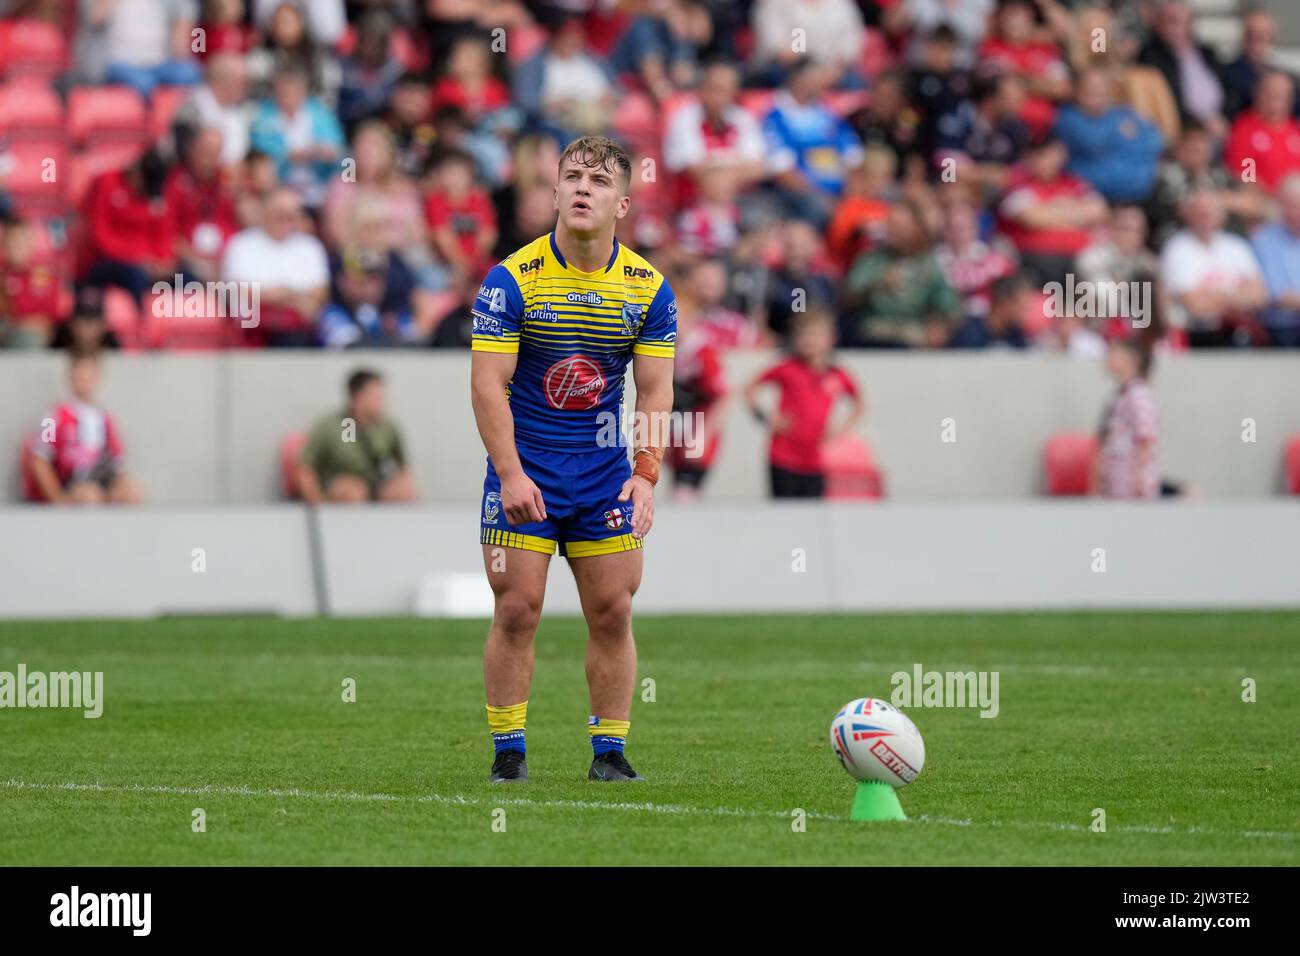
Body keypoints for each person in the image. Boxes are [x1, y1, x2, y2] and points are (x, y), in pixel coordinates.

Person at [469, 135, 677, 784]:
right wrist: (509, 473)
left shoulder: (648, 289)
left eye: (599, 180)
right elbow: (486, 384)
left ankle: (609, 754)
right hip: (526, 467)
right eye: (572, 176)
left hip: (603, 476)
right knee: (516, 608)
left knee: (613, 611)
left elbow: (655, 391)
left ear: (622, 203)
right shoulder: (511, 281)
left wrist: (645, 477)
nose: (583, 187)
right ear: (554, 191)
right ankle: (510, 752)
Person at [744, 308, 865, 498]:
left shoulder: (837, 375)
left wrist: (840, 430)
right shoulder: (787, 368)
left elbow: (859, 403)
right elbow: (750, 388)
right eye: (803, 335)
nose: (809, 341)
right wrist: (766, 417)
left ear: (831, 338)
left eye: (815, 335)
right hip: (783, 457)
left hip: (816, 459)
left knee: (812, 518)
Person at [27, 350, 143, 505]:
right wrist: (58, 497)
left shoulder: (105, 418)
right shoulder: (53, 416)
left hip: (100, 477)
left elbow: (118, 461)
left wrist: (123, 484)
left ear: (97, 378)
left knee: (132, 494)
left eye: (88, 376)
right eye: (79, 376)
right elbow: (39, 459)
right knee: (89, 496)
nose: (84, 382)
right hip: (71, 481)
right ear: (69, 378)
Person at [297, 368, 415, 502]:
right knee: (352, 491)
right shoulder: (330, 426)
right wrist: (316, 501)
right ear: (358, 396)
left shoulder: (387, 427)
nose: (382, 402)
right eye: (376, 397)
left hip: (377, 486)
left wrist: (402, 485)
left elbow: (404, 467)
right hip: (341, 487)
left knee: (404, 492)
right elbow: (305, 466)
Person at [1094, 336, 1159, 499]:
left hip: (1132, 485)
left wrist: (1142, 480)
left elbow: (1146, 439)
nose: (1107, 358)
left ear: (1132, 360)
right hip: (1116, 482)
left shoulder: (1139, 395)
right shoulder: (1120, 395)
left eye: (1114, 353)